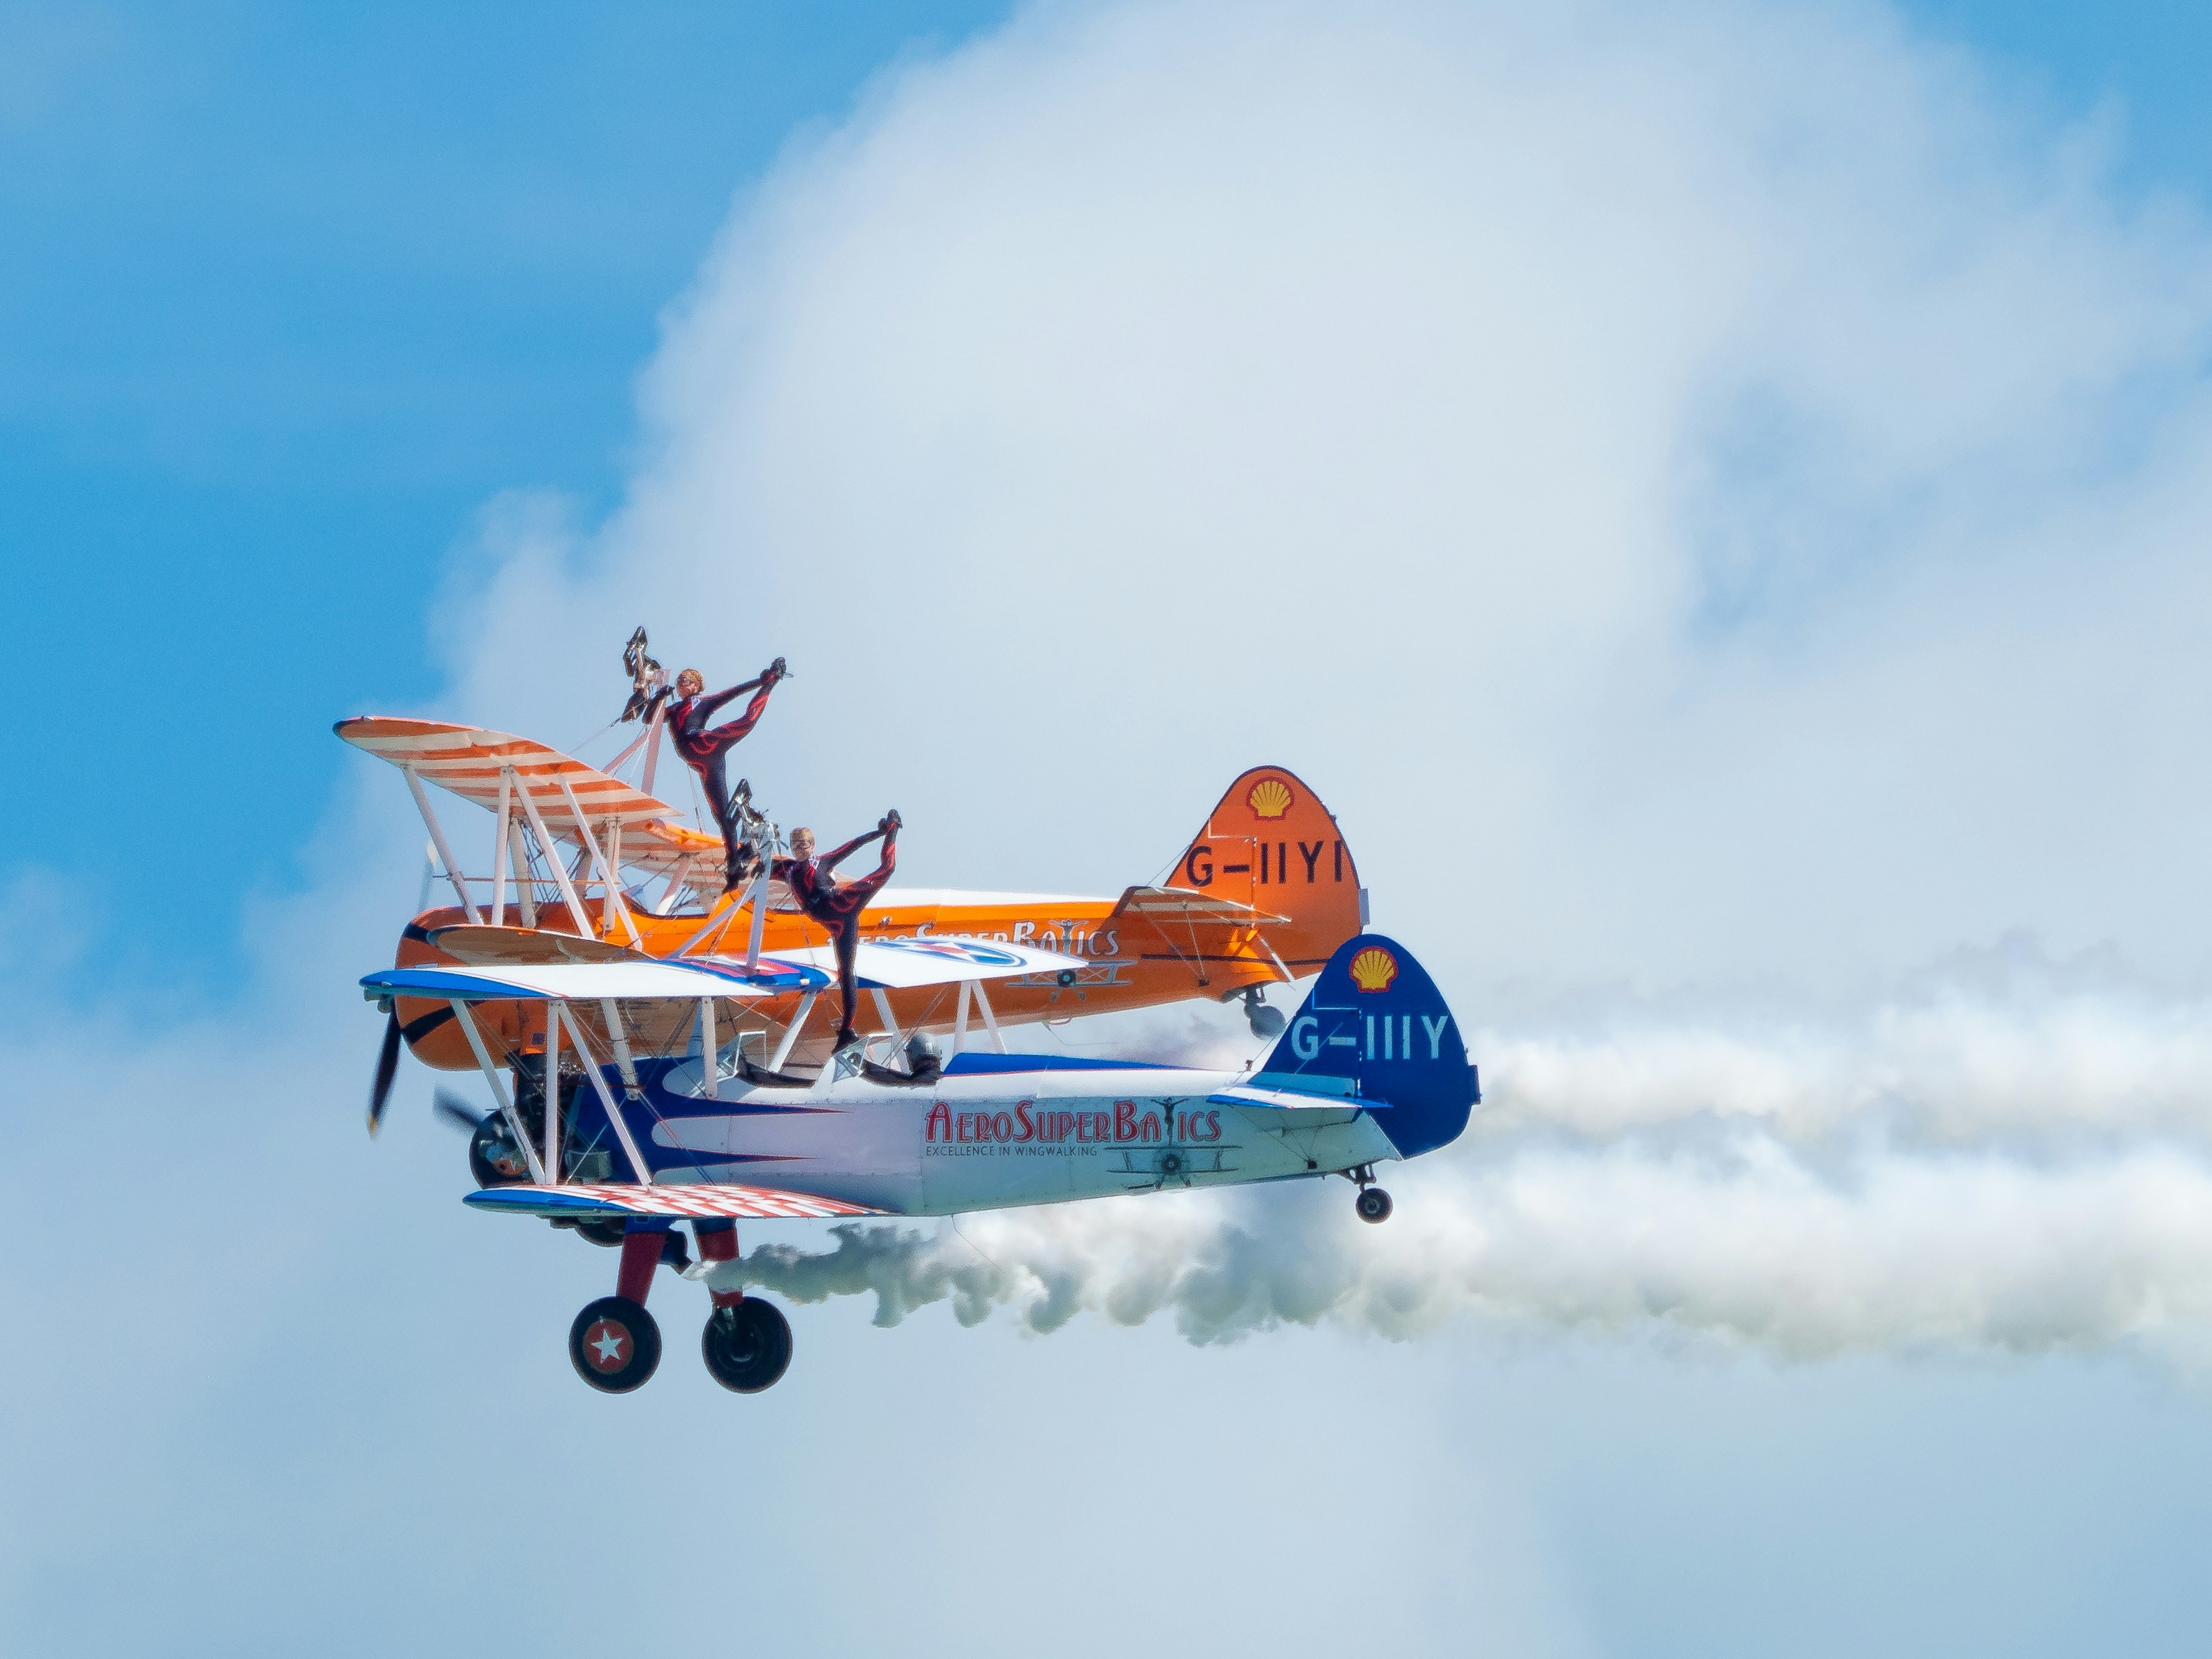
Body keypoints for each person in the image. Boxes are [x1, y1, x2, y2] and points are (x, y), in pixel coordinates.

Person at [770, 812, 901, 1049]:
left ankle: (893, 828)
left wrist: (879, 833)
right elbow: (758, 867)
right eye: (796, 845)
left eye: (805, 844)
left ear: (813, 845)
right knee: (845, 974)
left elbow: (852, 845)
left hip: (843, 905)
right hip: (834, 924)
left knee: (887, 870)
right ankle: (847, 1033)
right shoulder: (786, 869)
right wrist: (743, 858)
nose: (800, 848)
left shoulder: (823, 861)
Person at [652, 659, 786, 890]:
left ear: (696, 686)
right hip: (702, 763)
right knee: (721, 815)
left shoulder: (702, 701)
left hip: (705, 744)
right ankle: (734, 862)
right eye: (679, 681)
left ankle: (773, 682)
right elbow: (649, 718)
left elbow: (731, 693)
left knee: (746, 722)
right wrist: (659, 696)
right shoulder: (673, 709)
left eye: (685, 680)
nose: (680, 684)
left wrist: (762, 680)